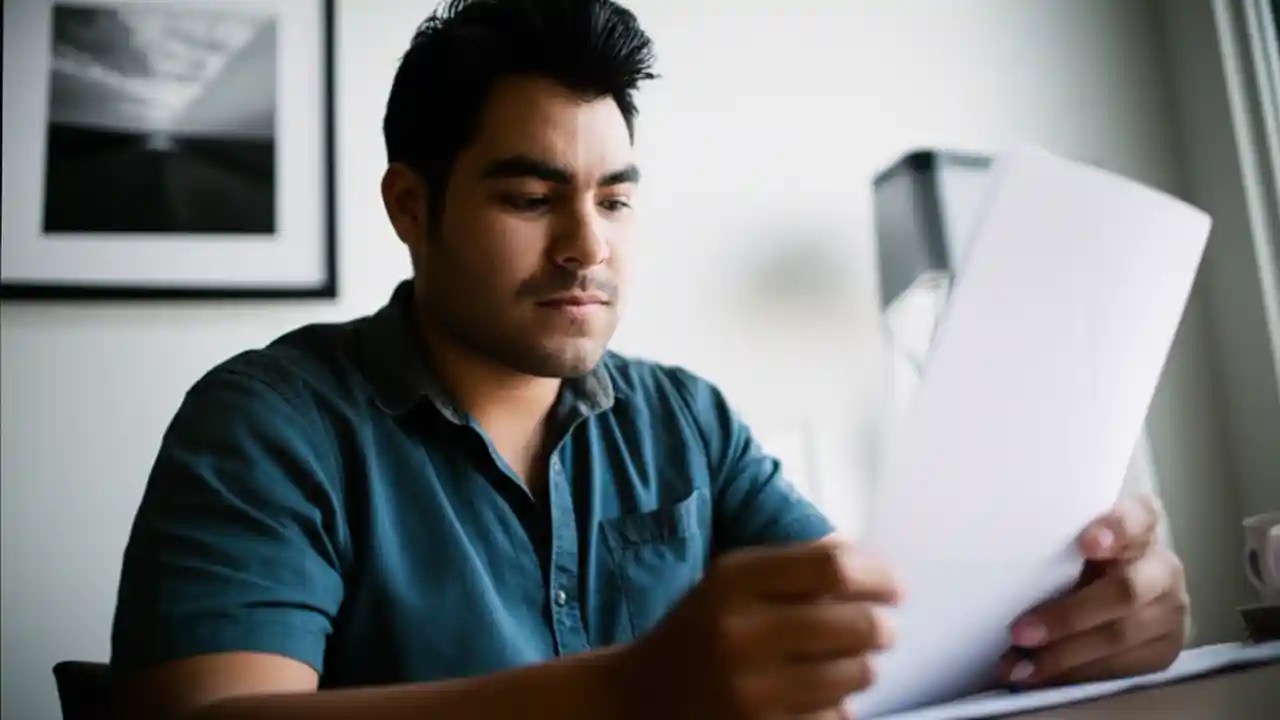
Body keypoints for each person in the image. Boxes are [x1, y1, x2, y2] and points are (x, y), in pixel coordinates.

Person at [110, 1, 1191, 718]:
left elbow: (872, 651)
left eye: (616, 198)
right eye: (531, 198)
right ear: (410, 206)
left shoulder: (687, 422)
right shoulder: (266, 422)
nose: (588, 245)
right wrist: (631, 692)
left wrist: (1061, 621)